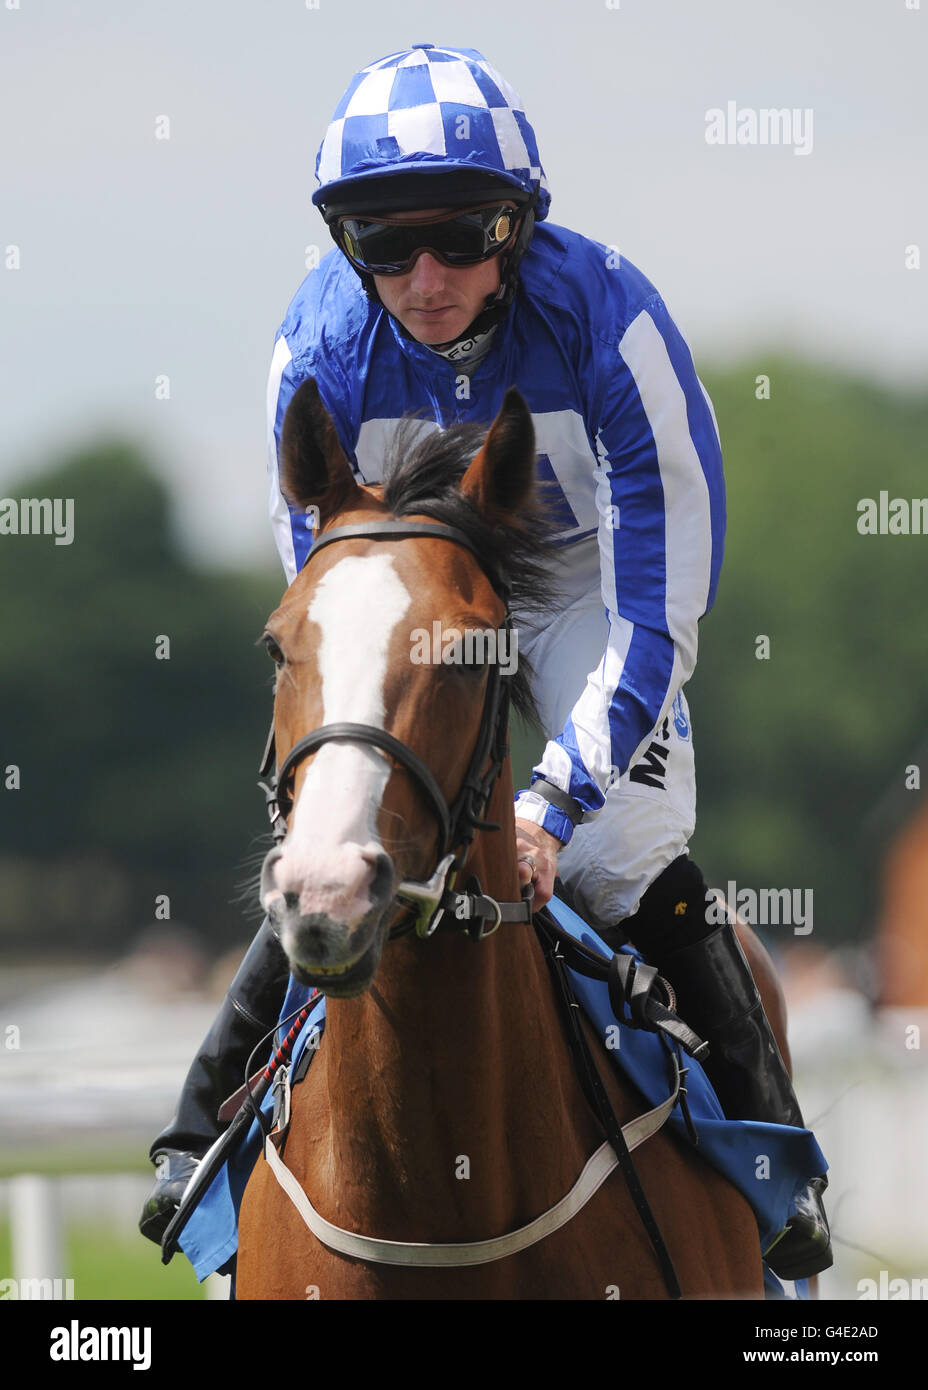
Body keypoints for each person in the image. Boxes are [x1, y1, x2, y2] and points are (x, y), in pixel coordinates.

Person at [141, 43, 830, 1278]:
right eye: (383, 245)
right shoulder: (317, 346)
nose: (423, 277)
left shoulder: (612, 320)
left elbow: (661, 613)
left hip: (582, 592)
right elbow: (324, 595)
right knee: (346, 838)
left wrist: (552, 805)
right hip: (410, 586)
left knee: (620, 852)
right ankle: (204, 1133)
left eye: (461, 237)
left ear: (517, 225)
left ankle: (771, 1157)